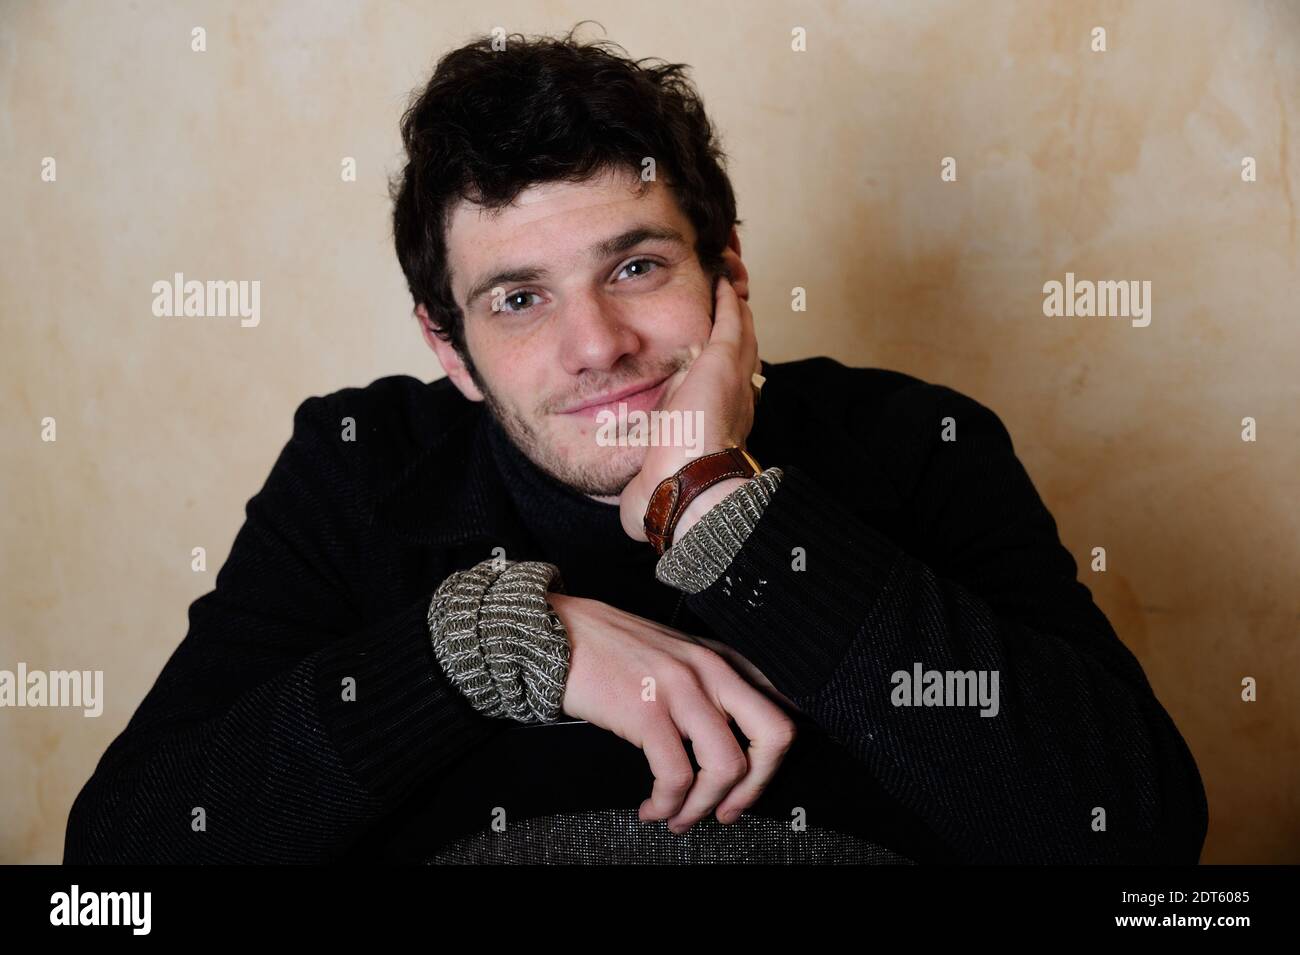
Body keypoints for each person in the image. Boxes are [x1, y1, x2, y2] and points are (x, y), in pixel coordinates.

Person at [64, 27, 1207, 864]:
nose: (596, 346)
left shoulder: (918, 444)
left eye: (635, 267)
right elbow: (118, 871)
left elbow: (1133, 833)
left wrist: (722, 510)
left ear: (729, 274)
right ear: (449, 348)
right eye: (517, 299)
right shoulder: (361, 466)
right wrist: (488, 650)